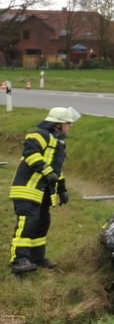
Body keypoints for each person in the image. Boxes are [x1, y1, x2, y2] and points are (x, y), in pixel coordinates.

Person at [9, 106, 80, 274]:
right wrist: (47, 172)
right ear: (58, 125)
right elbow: (31, 154)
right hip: (27, 189)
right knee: (28, 223)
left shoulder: (58, 144)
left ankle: (37, 258)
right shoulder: (38, 135)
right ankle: (19, 260)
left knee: (42, 224)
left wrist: (62, 188)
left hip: (43, 193)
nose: (70, 127)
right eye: (68, 124)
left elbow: (56, 170)